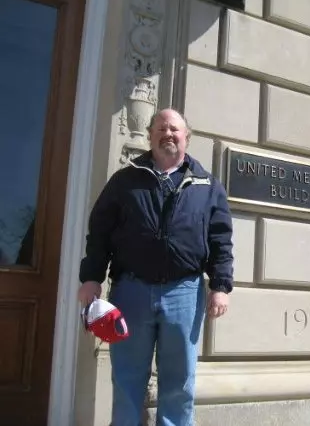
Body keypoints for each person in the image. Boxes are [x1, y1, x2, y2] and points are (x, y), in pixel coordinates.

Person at [78, 108, 234, 426]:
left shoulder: (208, 186)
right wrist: (91, 278)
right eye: (161, 128)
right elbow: (100, 233)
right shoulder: (124, 181)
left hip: (185, 294)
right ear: (149, 136)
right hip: (131, 292)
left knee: (179, 383)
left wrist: (220, 285)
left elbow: (221, 240)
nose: (168, 134)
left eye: (175, 129)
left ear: (187, 138)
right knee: (127, 379)